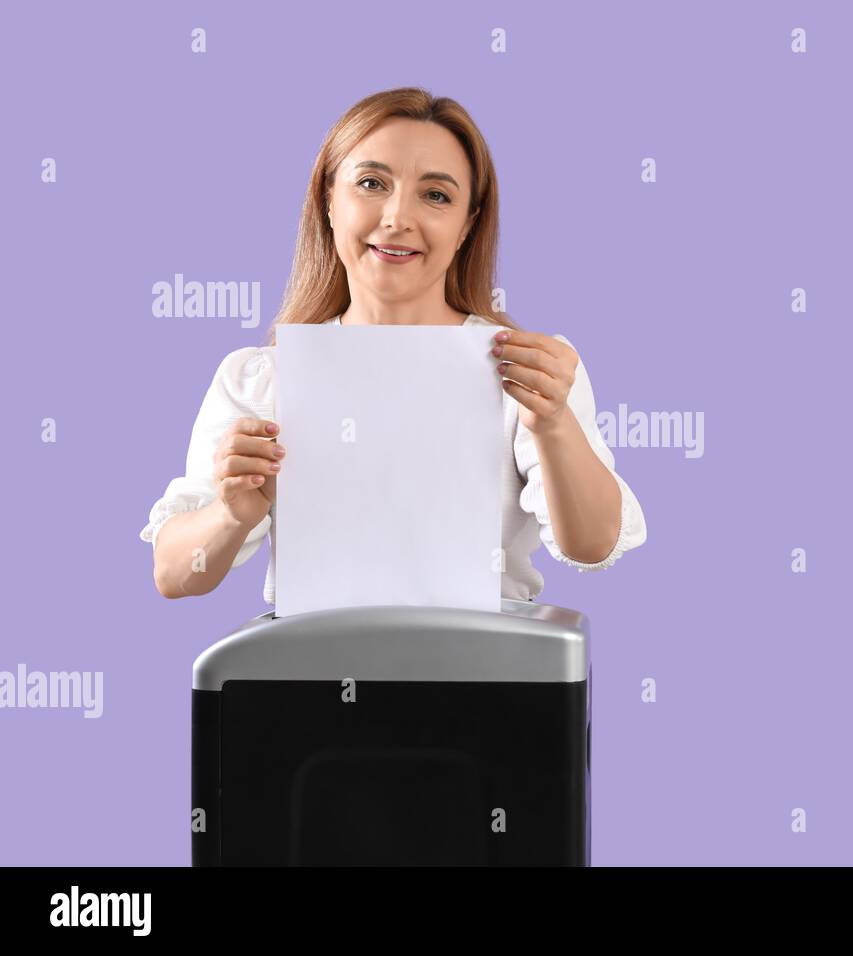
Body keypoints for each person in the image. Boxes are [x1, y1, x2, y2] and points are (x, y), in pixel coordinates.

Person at [141, 88, 646, 603]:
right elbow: (176, 575)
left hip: (491, 676)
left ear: (467, 225)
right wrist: (230, 513)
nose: (398, 217)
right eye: (371, 183)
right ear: (328, 202)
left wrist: (554, 424)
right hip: (308, 674)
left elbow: (592, 546)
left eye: (436, 195)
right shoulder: (262, 378)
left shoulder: (530, 374)